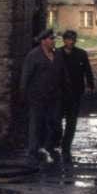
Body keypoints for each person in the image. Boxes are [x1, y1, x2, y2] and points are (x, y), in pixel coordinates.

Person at [20, 29, 63, 165]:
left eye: (53, 39)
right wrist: (23, 94)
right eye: (51, 39)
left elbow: (62, 73)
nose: (53, 41)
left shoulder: (56, 55)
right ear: (43, 41)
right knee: (35, 124)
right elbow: (25, 76)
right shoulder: (33, 56)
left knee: (53, 122)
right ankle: (33, 151)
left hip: (53, 96)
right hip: (37, 96)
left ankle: (47, 148)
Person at [57, 29, 95, 161]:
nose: (70, 42)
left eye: (72, 39)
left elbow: (87, 70)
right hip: (60, 92)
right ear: (64, 40)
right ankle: (57, 140)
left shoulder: (81, 54)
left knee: (72, 120)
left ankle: (66, 145)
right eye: (68, 39)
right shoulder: (57, 54)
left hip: (75, 92)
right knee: (56, 119)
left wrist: (90, 85)